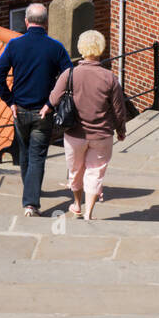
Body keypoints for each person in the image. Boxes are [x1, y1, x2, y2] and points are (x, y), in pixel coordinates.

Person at [0, 3, 70, 217]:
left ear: (26, 22)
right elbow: (68, 77)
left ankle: (30, 193)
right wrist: (51, 104)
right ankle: (31, 203)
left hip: (20, 110)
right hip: (43, 111)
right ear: (46, 23)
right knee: (36, 156)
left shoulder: (14, 45)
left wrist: (10, 101)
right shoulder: (56, 47)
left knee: (25, 152)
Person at [49, 29, 127, 221]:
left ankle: (76, 204)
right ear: (100, 49)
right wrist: (121, 130)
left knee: (75, 171)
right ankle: (89, 213)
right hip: (102, 135)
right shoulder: (109, 77)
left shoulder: (70, 74)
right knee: (95, 172)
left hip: (75, 134)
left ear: (81, 49)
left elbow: (53, 98)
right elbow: (119, 109)